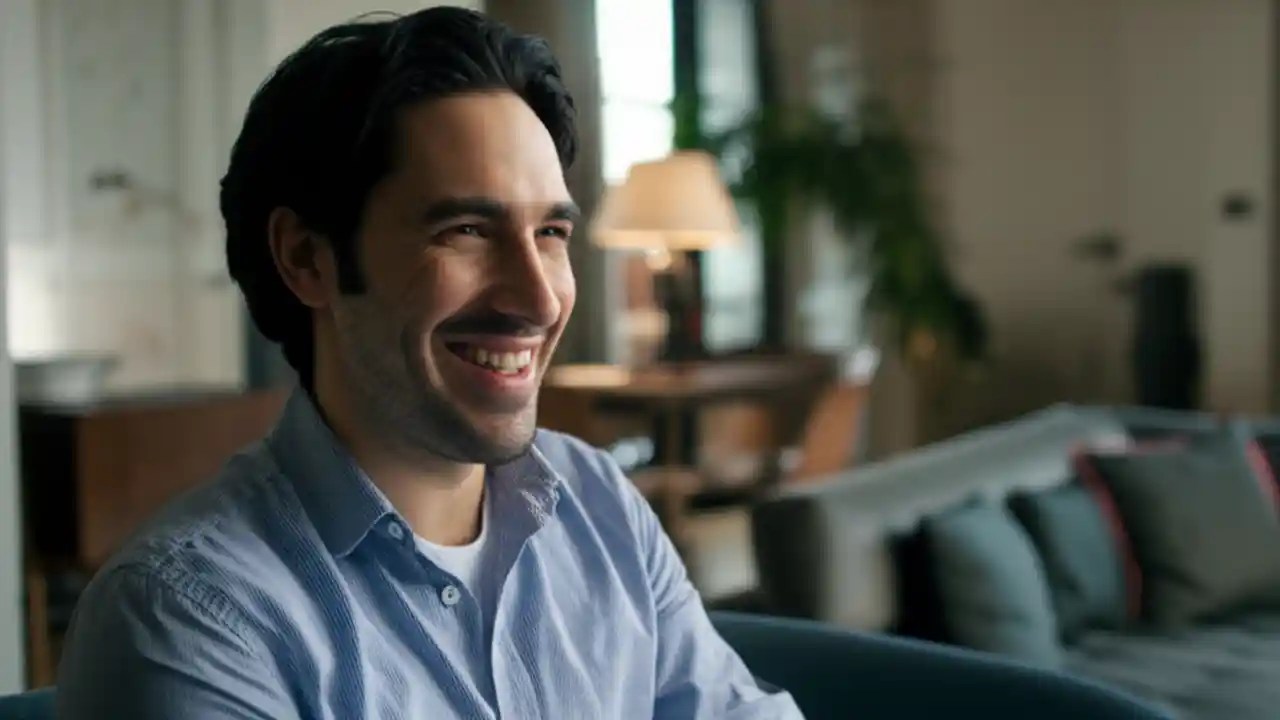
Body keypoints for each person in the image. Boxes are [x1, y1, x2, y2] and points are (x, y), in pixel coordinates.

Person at [55, 6, 802, 719]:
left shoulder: (600, 506)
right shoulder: (188, 617)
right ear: (307, 259)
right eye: (468, 229)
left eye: (550, 232)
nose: (538, 301)